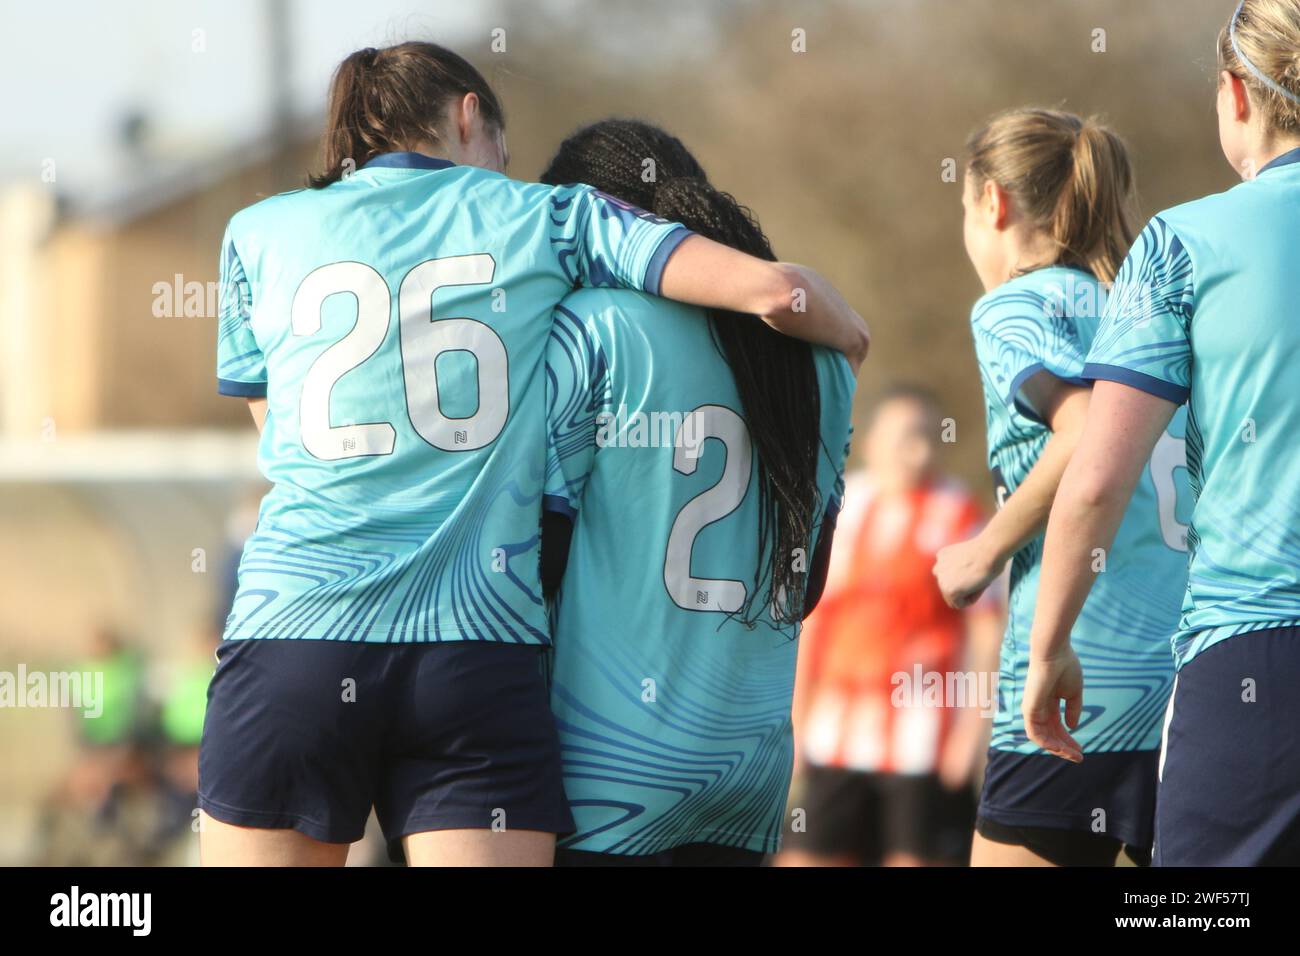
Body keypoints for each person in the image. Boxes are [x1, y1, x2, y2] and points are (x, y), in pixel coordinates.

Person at [201, 43, 869, 868]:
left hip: (296, 635)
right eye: (500, 157)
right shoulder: (543, 219)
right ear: (468, 116)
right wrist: (844, 337)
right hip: (481, 653)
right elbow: (772, 292)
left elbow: (280, 432)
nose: (496, 175)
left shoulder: (256, 230)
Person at [535, 119, 857, 865]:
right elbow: (804, 586)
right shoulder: (823, 361)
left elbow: (536, 562)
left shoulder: (590, 329)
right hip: (751, 768)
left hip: (606, 766)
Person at [1024, 0, 1300, 866]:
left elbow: (1100, 477)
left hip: (1257, 649)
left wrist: (1049, 646)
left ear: (1236, 94)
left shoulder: (1184, 240)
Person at [932, 108, 1190, 866]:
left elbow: (1079, 432)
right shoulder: (1149, 307)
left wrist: (982, 551)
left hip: (1077, 664)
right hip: (1185, 672)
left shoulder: (1014, 304)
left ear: (992, 203)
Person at [779, 386, 1003, 867]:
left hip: (923, 739)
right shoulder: (843, 510)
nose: (919, 450)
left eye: (928, 436)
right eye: (906, 437)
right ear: (872, 440)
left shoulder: (960, 515)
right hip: (833, 732)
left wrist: (971, 733)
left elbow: (986, 634)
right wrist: (792, 720)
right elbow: (814, 623)